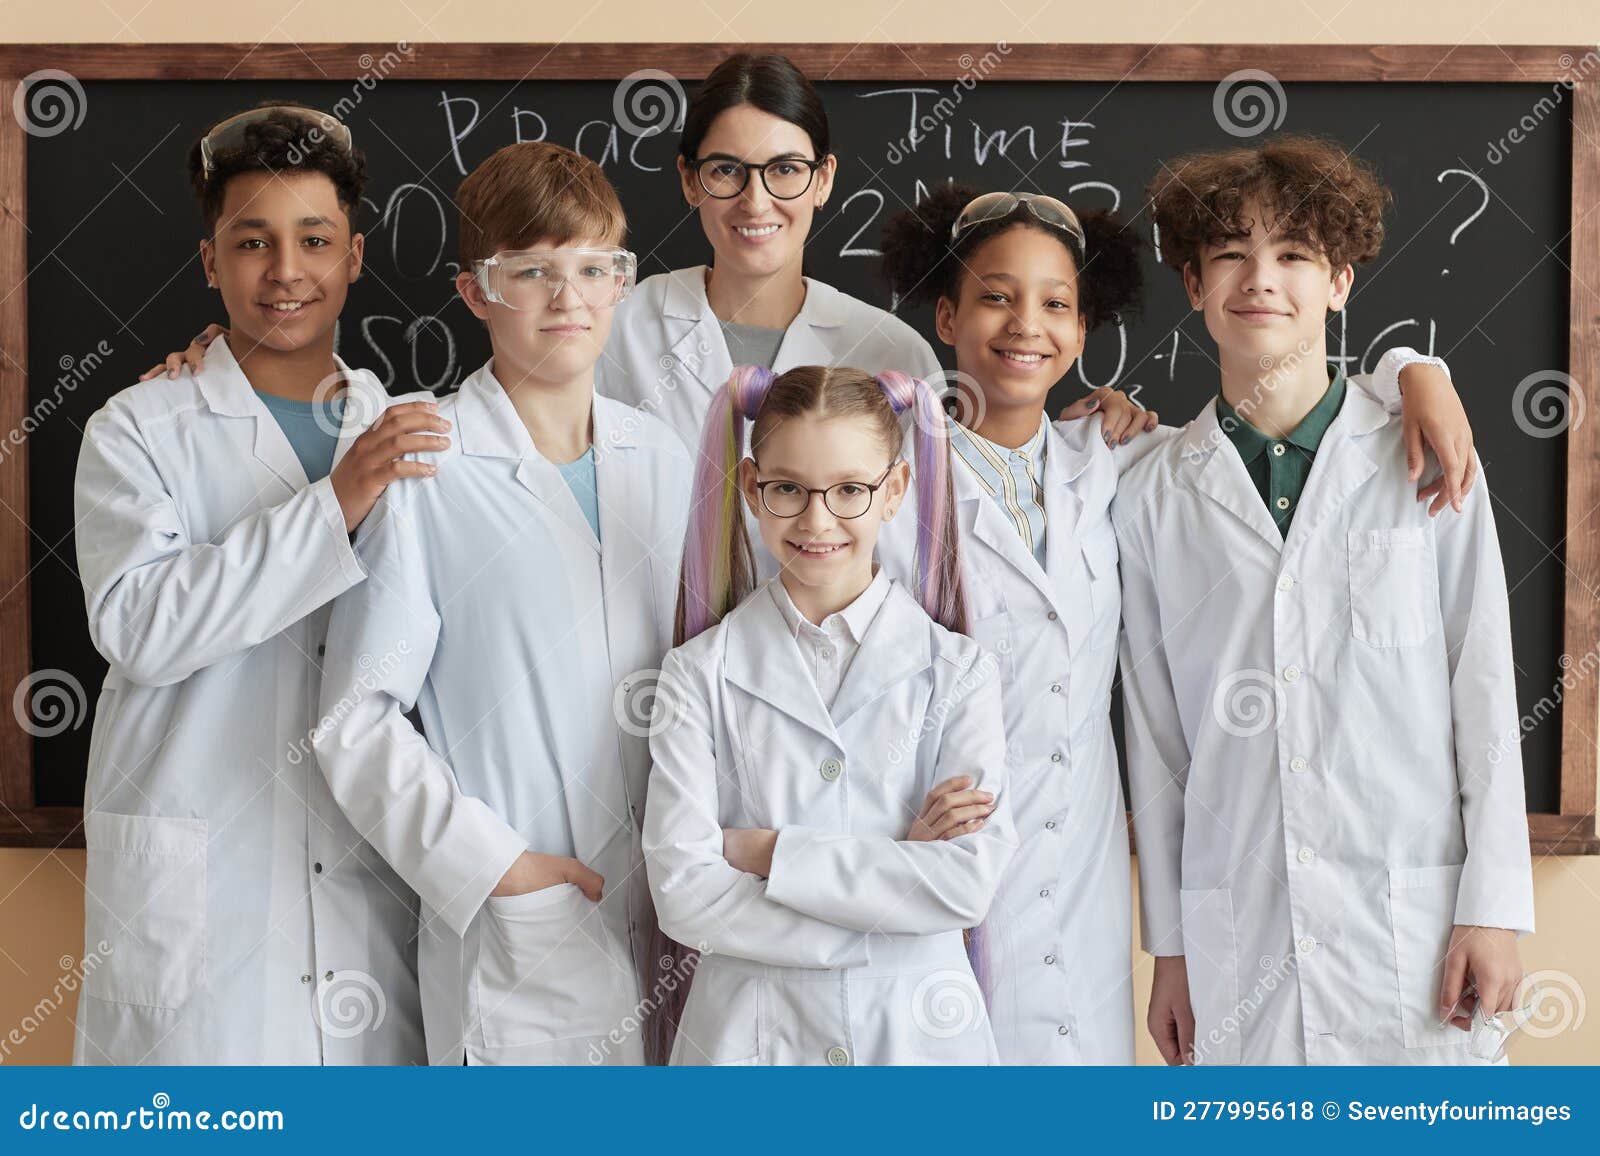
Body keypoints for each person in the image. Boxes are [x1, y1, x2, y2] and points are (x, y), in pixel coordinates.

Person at [877, 181, 1482, 1064]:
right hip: (930, 852)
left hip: (1080, 885)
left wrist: (1417, 368)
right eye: (994, 297)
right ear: (945, 315)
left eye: (1055, 304)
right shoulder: (883, 480)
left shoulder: (1119, 461)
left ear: (1085, 334)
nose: (1024, 326)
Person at [1116, 134, 1534, 1065]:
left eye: (1294, 255)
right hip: (1240, 931)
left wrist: (1494, 909)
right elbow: (1157, 742)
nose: (1260, 279)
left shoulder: (1424, 456)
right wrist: (1172, 950)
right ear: (1192, 284)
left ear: (1340, 280)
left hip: (1416, 926)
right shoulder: (1149, 494)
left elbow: (1485, 684)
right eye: (1230, 254)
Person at [73, 103, 445, 1064]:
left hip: (372, 890)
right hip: (203, 900)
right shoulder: (139, 428)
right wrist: (340, 499)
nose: (286, 271)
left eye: (314, 239)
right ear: (211, 262)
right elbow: (142, 627)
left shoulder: (407, 428)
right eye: (252, 242)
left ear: (355, 256)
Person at [312, 141, 690, 1065]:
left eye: (594, 269)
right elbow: (357, 721)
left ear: (621, 287)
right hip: (521, 931)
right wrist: (495, 869)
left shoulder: (671, 459)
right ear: (477, 291)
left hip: (682, 914)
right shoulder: (425, 465)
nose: (569, 298)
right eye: (534, 271)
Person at [643, 364, 1017, 1065]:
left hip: (917, 1041)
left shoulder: (959, 673)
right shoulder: (698, 675)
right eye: (788, 489)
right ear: (753, 490)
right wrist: (894, 882)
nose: (818, 521)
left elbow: (966, 882)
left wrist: (766, 852)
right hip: (748, 1045)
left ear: (895, 490)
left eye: (850, 490)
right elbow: (684, 895)